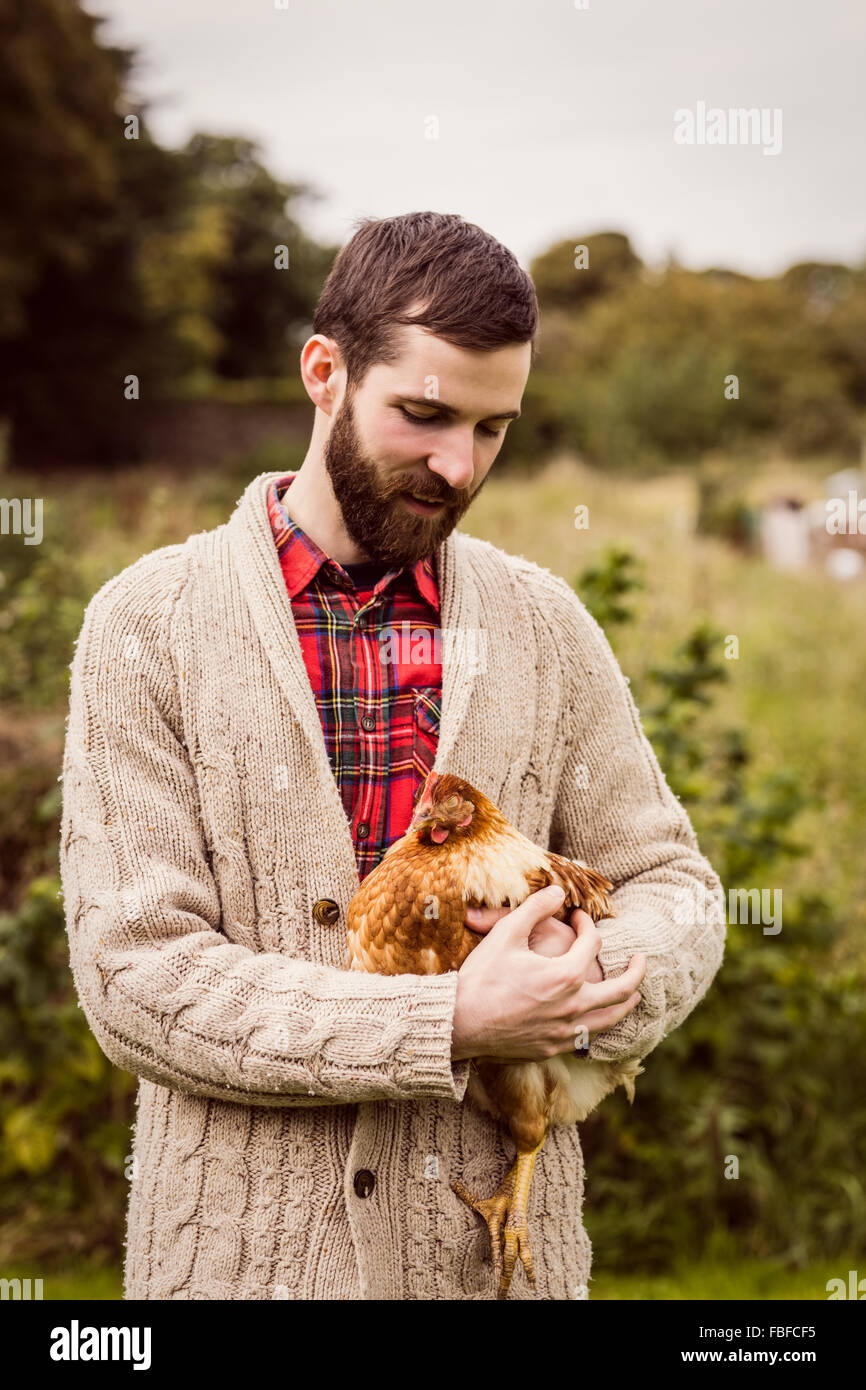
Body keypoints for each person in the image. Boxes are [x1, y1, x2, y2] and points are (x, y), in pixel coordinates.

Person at [60, 210, 725, 1301]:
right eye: (422, 414)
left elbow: (677, 887)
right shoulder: (148, 625)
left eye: (492, 428)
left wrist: (577, 982)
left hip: (495, 1273)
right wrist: (450, 1021)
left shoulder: (544, 626)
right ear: (324, 371)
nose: (457, 464)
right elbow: (135, 974)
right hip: (236, 1270)